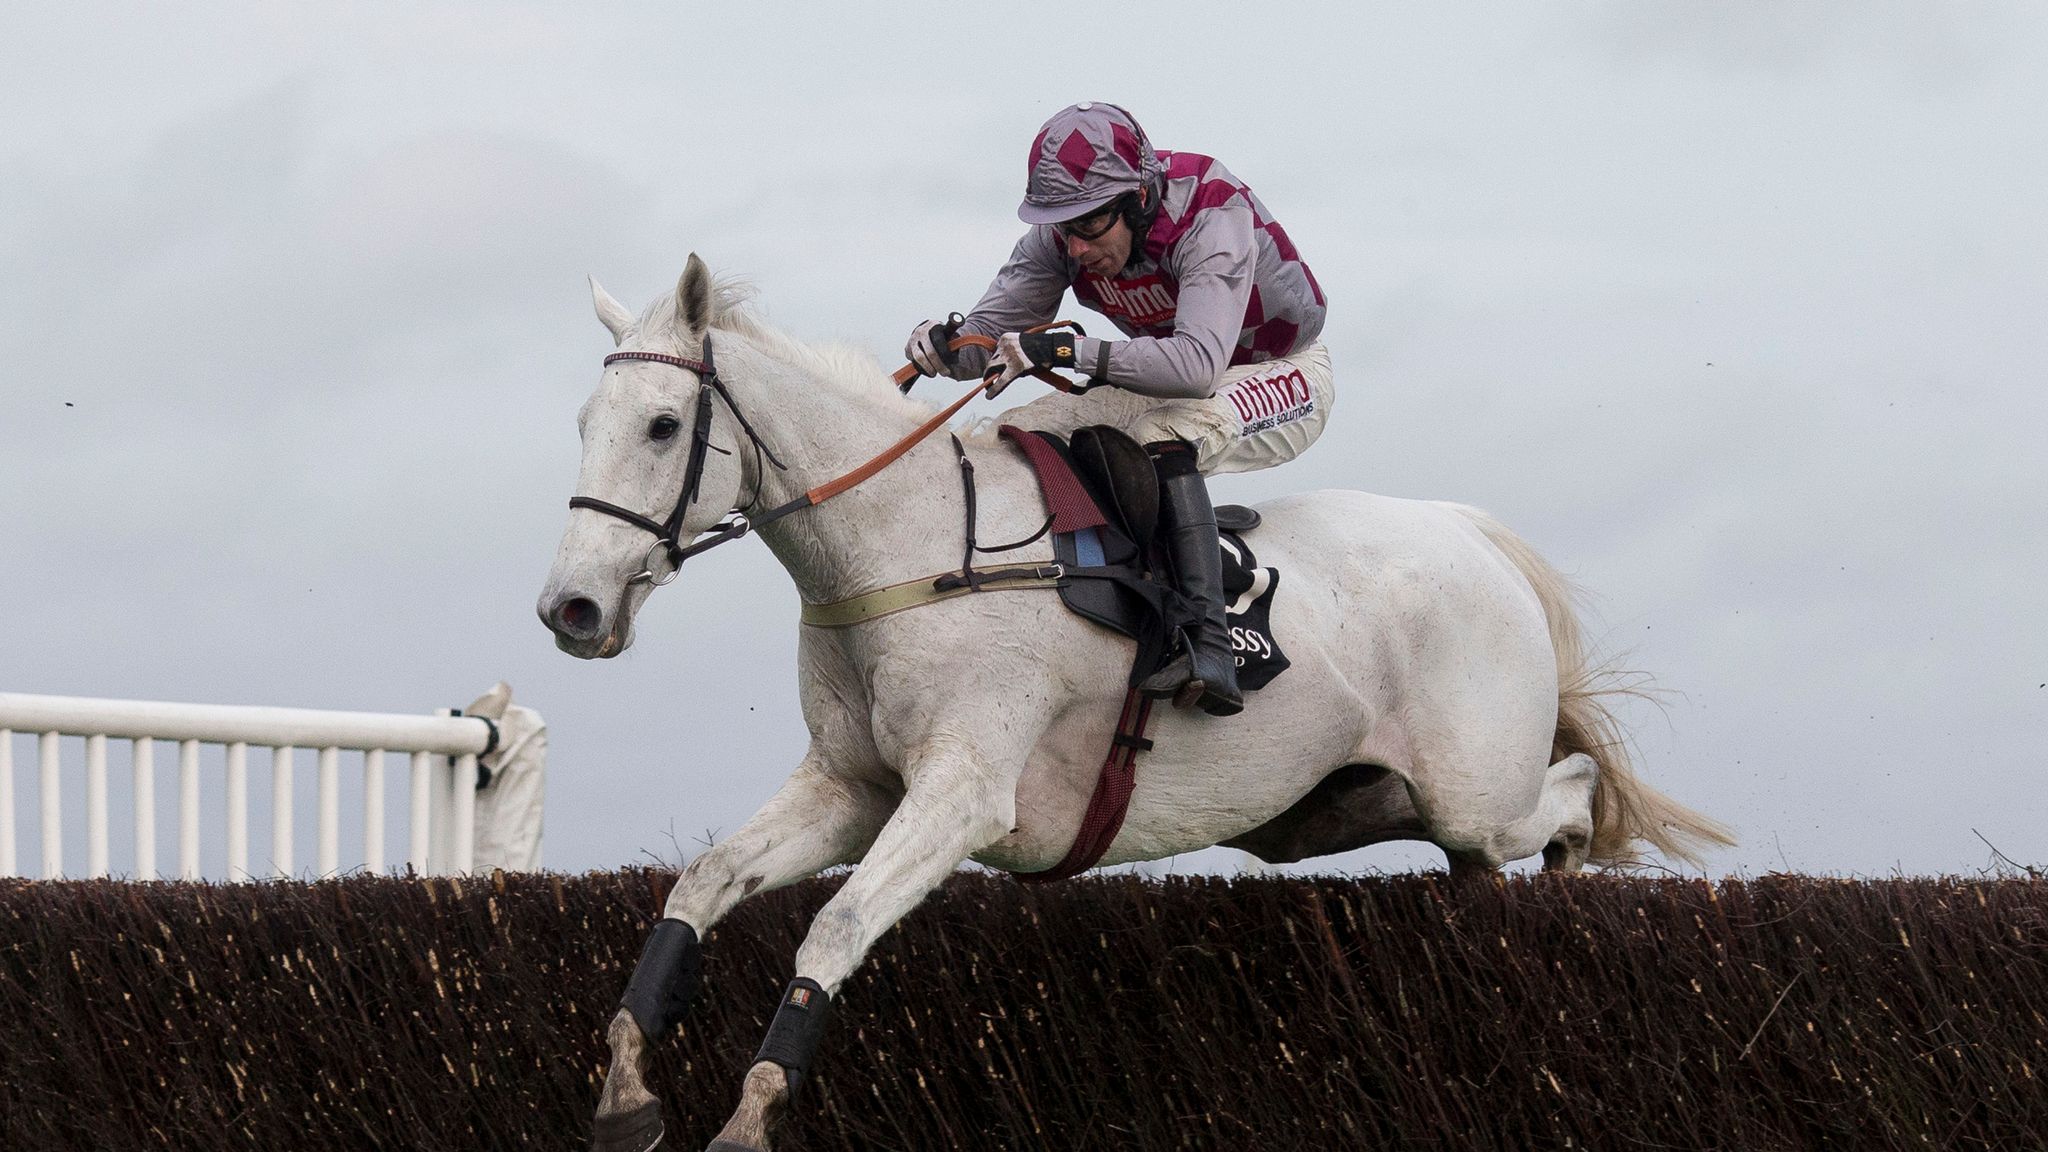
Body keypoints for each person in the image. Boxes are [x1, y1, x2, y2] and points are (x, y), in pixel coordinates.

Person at [906, 102, 1331, 718]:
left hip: (1281, 370)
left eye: (1088, 225)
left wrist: (1064, 348)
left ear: (1138, 197)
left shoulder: (1211, 210)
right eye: (1062, 227)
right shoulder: (1060, 238)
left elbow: (1196, 367)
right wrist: (944, 346)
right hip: (1171, 370)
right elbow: (988, 339)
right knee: (1012, 435)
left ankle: (1209, 645)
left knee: (1164, 434)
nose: (1075, 247)